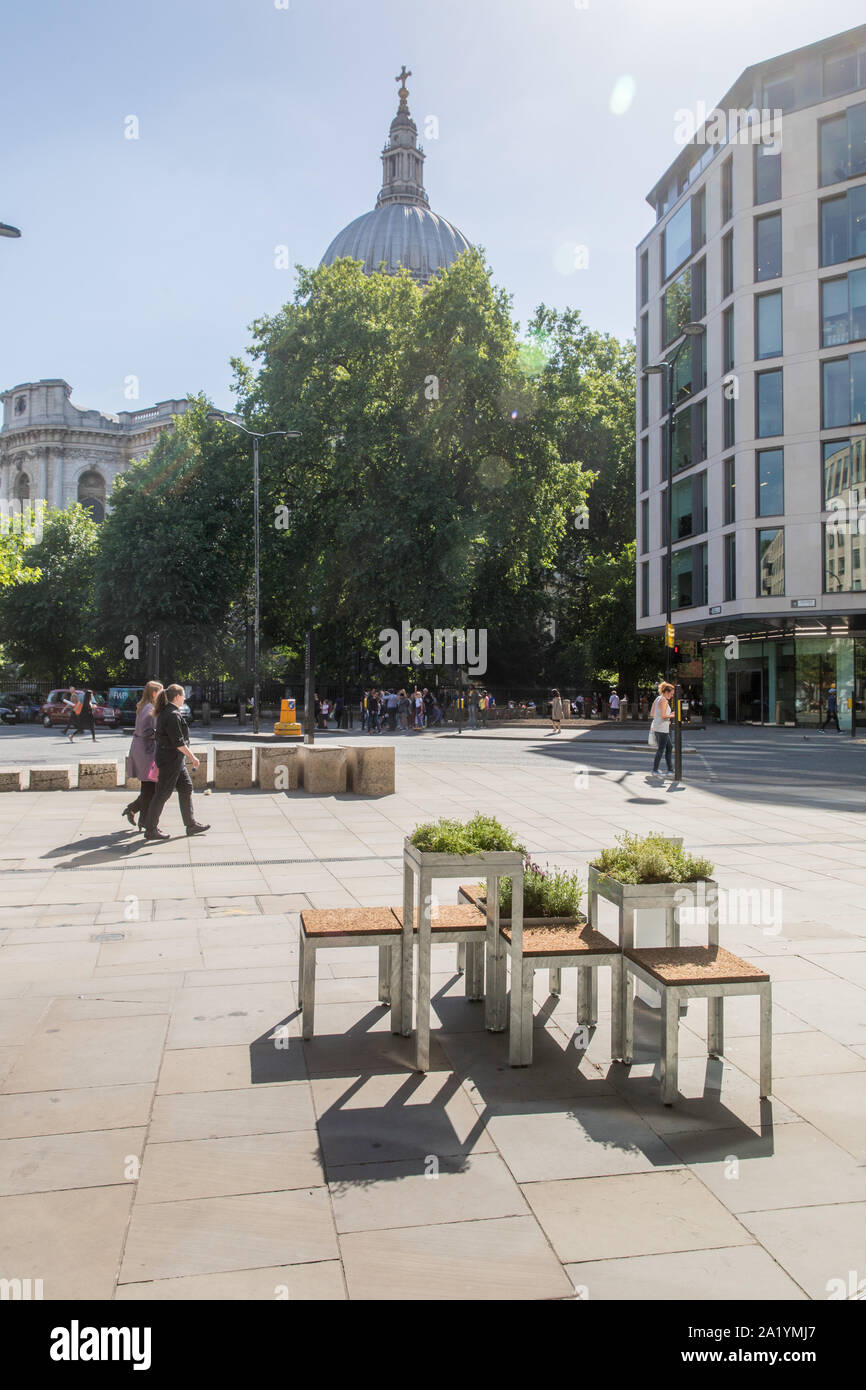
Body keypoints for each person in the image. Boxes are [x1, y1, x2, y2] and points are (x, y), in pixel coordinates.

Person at [142, 684, 209, 841]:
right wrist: (193, 758)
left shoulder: (168, 712)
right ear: (177, 697)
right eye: (183, 695)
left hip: (173, 759)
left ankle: (191, 824)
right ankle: (150, 829)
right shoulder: (172, 714)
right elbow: (178, 742)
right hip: (170, 759)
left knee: (186, 788)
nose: (185, 697)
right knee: (162, 793)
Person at [123, 681, 163, 829]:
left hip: (143, 750)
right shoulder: (149, 708)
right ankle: (144, 820)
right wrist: (160, 734)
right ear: (154, 693)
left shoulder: (145, 706)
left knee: (150, 787)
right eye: (160, 691)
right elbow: (145, 731)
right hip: (146, 752)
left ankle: (135, 811)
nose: (162, 694)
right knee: (150, 786)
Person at [649, 681, 675, 779]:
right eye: (671, 694)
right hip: (662, 728)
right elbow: (664, 715)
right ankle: (655, 770)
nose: (672, 696)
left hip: (658, 727)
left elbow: (652, 714)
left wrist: (665, 717)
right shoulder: (664, 700)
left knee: (669, 747)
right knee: (661, 749)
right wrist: (672, 715)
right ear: (667, 692)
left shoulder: (657, 699)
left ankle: (670, 769)